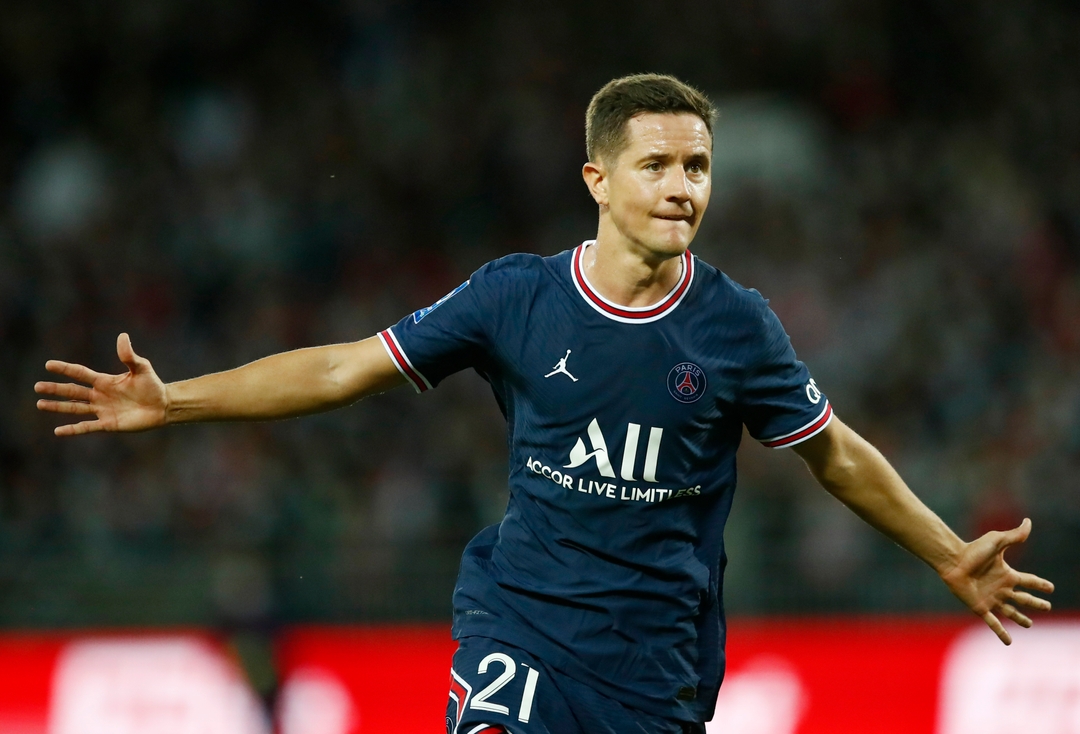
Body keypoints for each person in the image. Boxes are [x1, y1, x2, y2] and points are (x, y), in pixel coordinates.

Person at [35, 74, 1054, 734]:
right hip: (518, 626)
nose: (683, 187)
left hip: (656, 666)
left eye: (698, 166)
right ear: (598, 179)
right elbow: (346, 368)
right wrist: (177, 402)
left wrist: (944, 551)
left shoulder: (736, 326)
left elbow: (833, 452)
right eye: (657, 165)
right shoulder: (514, 297)